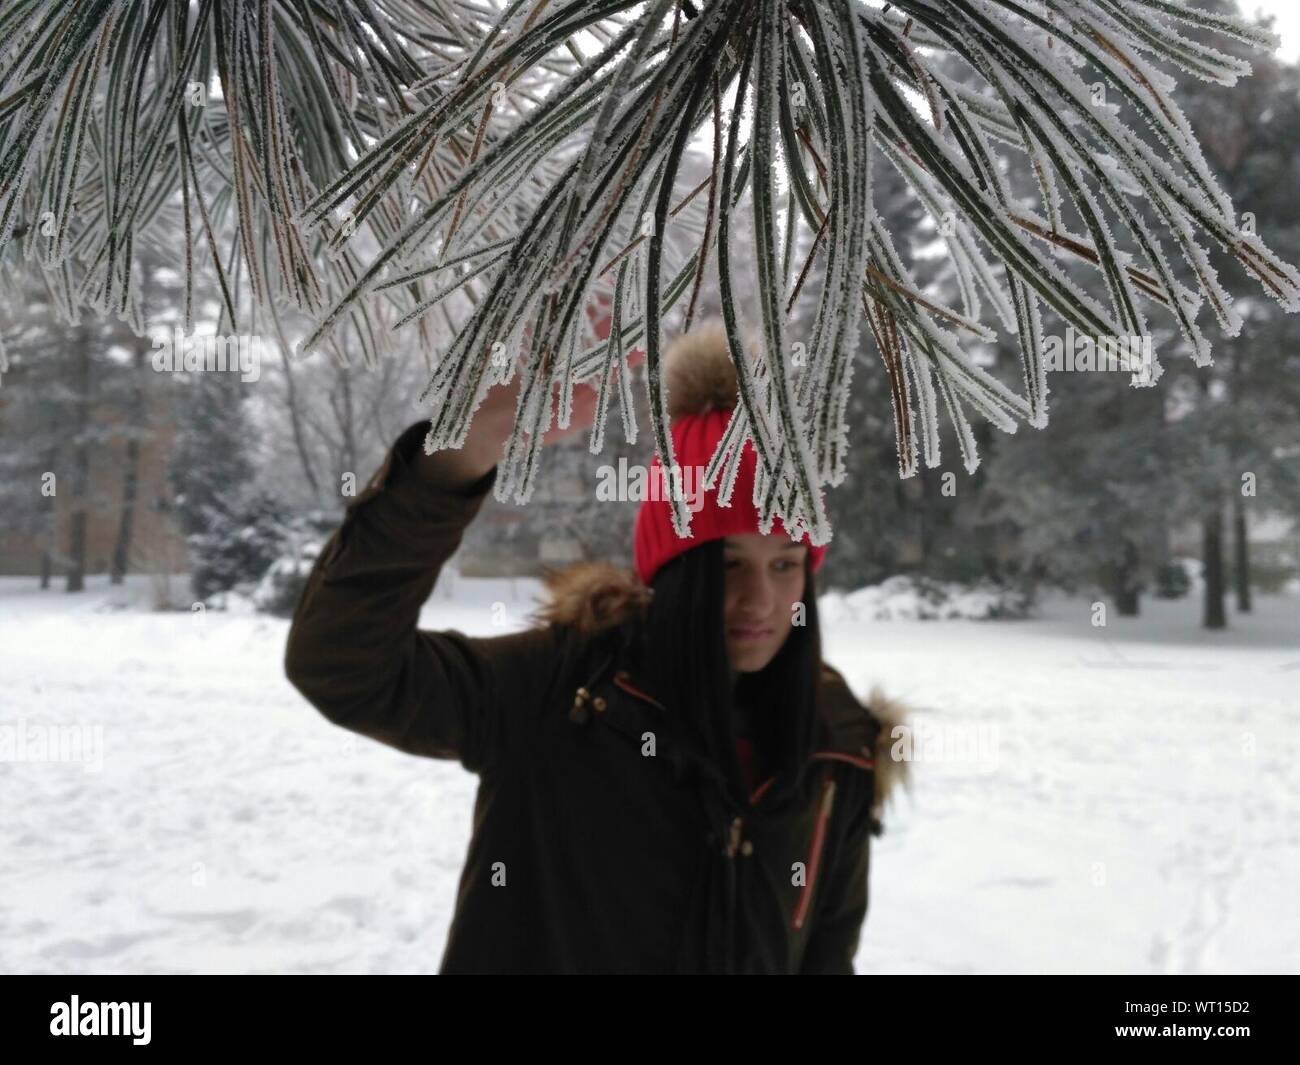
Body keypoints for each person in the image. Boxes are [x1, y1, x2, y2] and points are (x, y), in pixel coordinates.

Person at [284, 318, 908, 973]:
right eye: (727, 563)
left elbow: (826, 957)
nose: (761, 600)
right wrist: (458, 455)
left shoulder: (837, 741)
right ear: (675, 572)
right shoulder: (564, 690)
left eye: (786, 565)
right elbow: (344, 666)